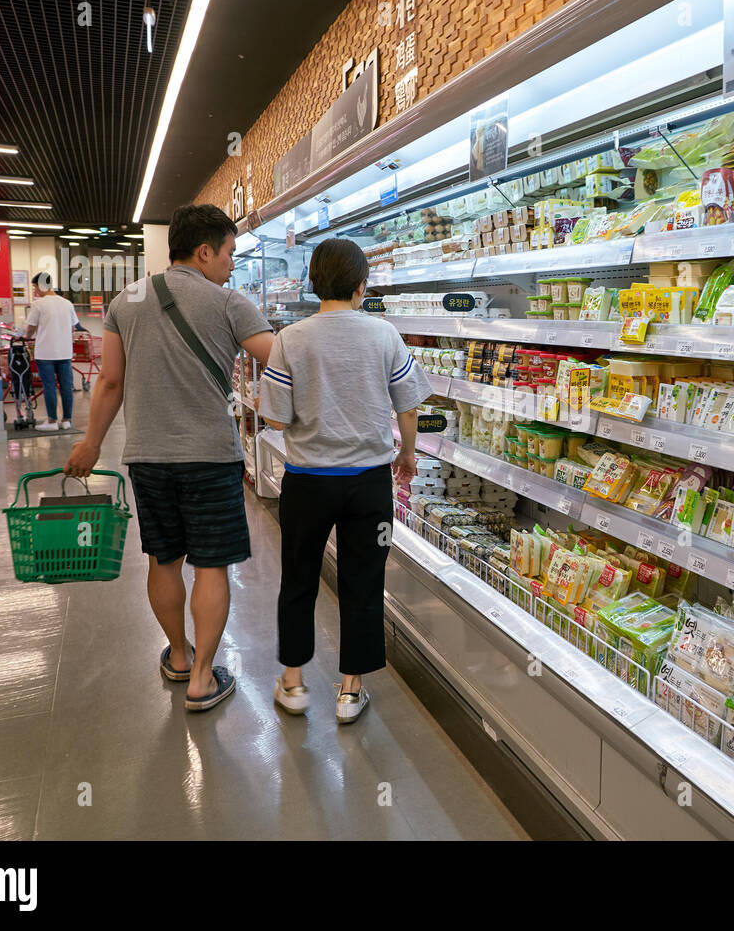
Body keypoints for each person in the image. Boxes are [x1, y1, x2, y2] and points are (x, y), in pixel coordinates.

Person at [64, 204, 274, 713]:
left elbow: (111, 381)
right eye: (228, 253)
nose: (230, 264)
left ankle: (178, 655)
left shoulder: (126, 299)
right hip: (210, 457)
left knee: (165, 559)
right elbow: (281, 360)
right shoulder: (229, 302)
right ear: (204, 251)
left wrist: (91, 442)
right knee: (211, 565)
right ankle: (203, 676)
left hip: (148, 456)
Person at [258, 238, 430, 723]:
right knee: (363, 581)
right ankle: (350, 691)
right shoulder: (383, 335)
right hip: (368, 484)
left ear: (314, 284)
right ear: (362, 286)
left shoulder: (291, 339)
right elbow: (407, 405)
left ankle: (292, 683)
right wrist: (409, 455)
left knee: (298, 580)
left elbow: (274, 418)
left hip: (307, 482)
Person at [23, 272, 83, 431]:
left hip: (45, 353)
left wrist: (26, 337)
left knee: (49, 386)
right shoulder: (67, 303)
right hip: (64, 352)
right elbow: (72, 327)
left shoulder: (38, 304)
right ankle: (66, 420)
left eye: (35, 287)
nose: (35, 291)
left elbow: (31, 328)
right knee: (66, 387)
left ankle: (51, 421)